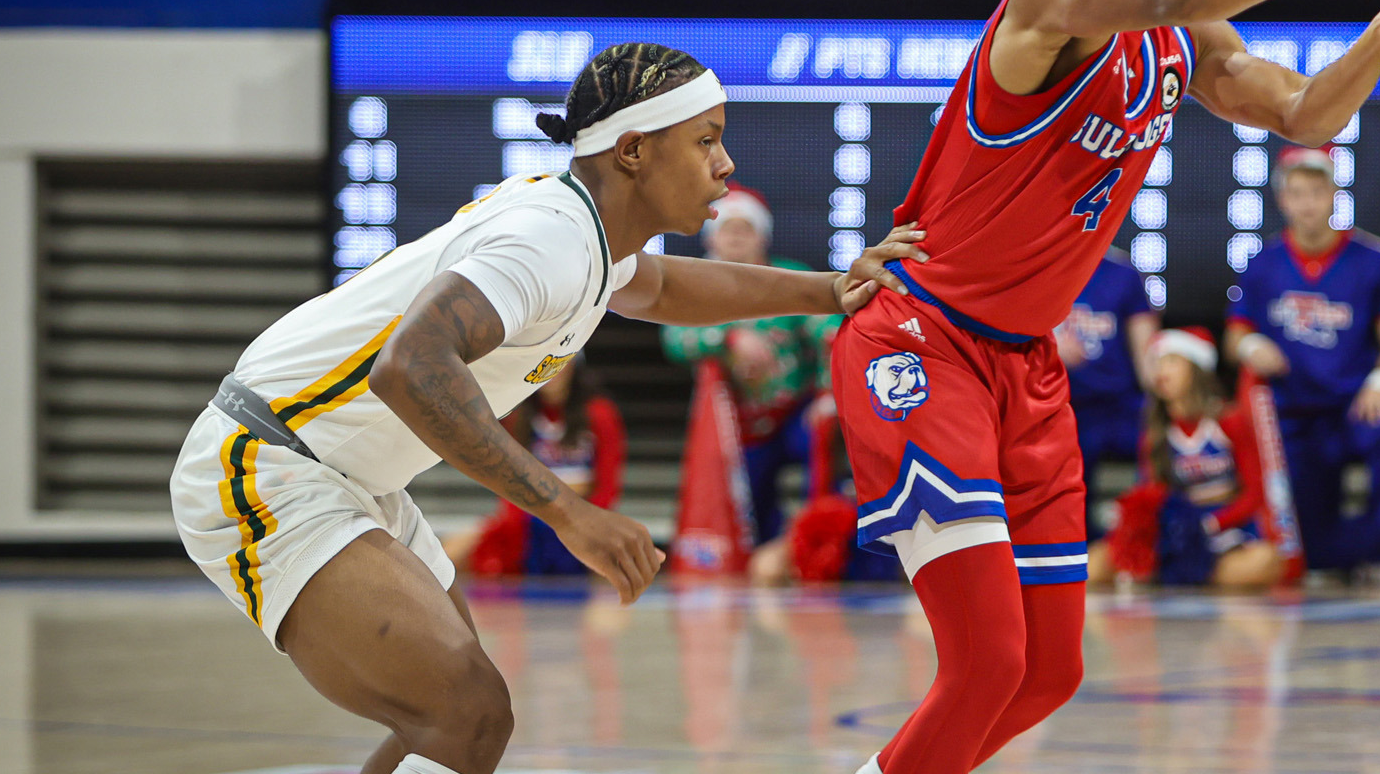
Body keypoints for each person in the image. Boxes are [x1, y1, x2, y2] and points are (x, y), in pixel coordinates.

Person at [827, 0, 1380, 774]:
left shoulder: (1184, 30)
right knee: (983, 665)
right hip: (922, 343)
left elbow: (1304, 114)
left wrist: (1379, 36)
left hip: (1024, 366)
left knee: (1048, 674)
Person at [169, 42, 922, 774]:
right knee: (466, 711)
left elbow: (663, 288)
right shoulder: (547, 241)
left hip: (346, 477)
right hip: (269, 463)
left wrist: (828, 290)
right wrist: (570, 511)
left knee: (456, 723)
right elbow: (412, 365)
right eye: (706, 140)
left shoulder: (591, 239)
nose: (725, 164)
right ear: (633, 151)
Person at [1223, 147, 1380, 581]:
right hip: (1291, 413)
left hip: (1354, 406)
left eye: (1317, 191)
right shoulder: (1261, 265)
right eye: (1298, 193)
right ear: (1283, 201)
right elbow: (1234, 335)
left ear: (1334, 195)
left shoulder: (1376, 259)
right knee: (1309, 547)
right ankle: (1336, 552)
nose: (1308, 202)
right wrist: (1252, 344)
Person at [662, 184, 841, 544]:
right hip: (737, 425)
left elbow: (831, 333)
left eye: (746, 229)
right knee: (750, 509)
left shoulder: (789, 278)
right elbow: (676, 340)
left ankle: (825, 541)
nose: (737, 238)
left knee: (826, 446)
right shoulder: (694, 287)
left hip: (796, 411)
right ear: (711, 240)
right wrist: (729, 339)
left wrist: (828, 394)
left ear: (763, 237)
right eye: (728, 229)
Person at [1087, 328, 1282, 589]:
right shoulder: (1156, 430)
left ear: (1196, 368)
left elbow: (1255, 495)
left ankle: (1188, 574)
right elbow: (1150, 492)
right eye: (1157, 363)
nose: (1161, 372)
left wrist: (1211, 523)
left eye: (1171, 361)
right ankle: (1182, 572)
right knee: (1094, 564)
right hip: (1174, 532)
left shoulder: (1228, 420)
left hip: (1223, 529)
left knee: (1265, 562)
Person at [443, 357, 625, 576]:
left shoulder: (599, 413)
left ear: (574, 364)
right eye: (543, 363)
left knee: (623, 566)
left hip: (584, 518)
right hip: (527, 520)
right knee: (451, 552)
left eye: (560, 362)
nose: (552, 372)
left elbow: (607, 485)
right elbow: (507, 482)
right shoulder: (517, 415)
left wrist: (585, 521)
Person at [1056, 248, 1158, 538]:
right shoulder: (1040, 267)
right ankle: (1074, 546)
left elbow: (1146, 349)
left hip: (1119, 403)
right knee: (1067, 482)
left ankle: (1149, 540)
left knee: (1159, 446)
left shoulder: (1123, 273)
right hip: (1061, 406)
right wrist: (1049, 345)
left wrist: (1162, 399)